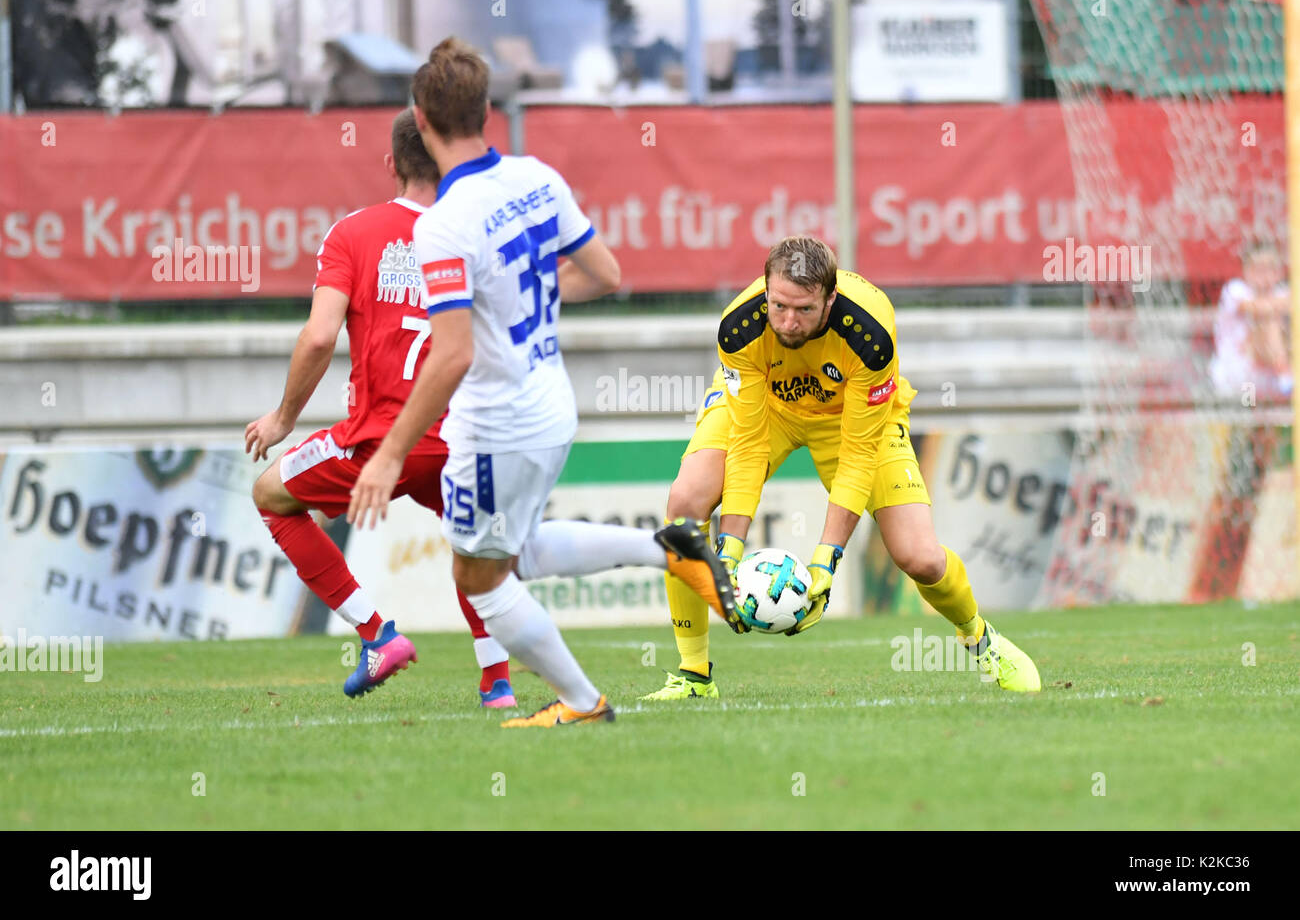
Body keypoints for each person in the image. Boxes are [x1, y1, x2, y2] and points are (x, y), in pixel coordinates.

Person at [347, 38, 737, 728]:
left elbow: (453, 355)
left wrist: (386, 455)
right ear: (488, 111)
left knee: (480, 576)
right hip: (553, 405)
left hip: (498, 424)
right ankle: (667, 549)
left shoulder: (441, 225)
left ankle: (584, 703)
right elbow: (608, 275)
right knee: (516, 550)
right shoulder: (537, 178)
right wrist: (518, 295)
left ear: (421, 120)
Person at [642, 235, 1042, 700]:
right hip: (770, 409)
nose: (788, 322)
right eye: (779, 306)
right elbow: (748, 445)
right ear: (766, 291)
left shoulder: (870, 332)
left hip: (849, 422)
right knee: (685, 502)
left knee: (920, 557)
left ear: (830, 299)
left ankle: (979, 638)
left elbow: (857, 456)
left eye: (805, 310)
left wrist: (824, 563)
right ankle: (694, 676)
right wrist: (728, 552)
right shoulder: (740, 327)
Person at [246, 109, 517, 706]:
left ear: (391, 163)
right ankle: (496, 681)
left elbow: (318, 337)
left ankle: (377, 634)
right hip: (458, 438)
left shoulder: (354, 233)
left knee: (270, 494)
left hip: (378, 442)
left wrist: (283, 418)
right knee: (474, 547)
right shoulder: (474, 234)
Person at [1209, 243, 1291, 400]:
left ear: (1279, 272)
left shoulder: (1282, 291)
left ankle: (1285, 376)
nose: (1265, 275)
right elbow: (1257, 308)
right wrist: (1287, 303)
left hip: (1267, 374)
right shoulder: (1236, 289)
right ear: (1246, 271)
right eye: (1258, 270)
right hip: (1237, 373)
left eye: (1270, 269)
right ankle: (1285, 374)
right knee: (1267, 318)